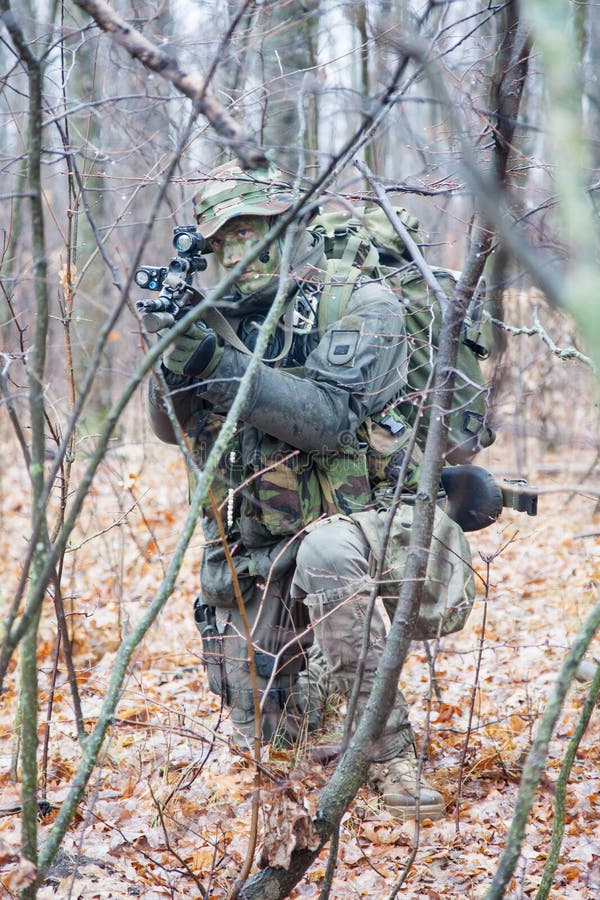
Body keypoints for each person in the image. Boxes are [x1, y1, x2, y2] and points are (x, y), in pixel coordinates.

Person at [146, 160, 475, 822]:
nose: (245, 250)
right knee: (266, 735)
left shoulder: (362, 305)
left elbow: (327, 421)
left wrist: (214, 360)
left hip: (374, 524)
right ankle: (318, 694)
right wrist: (171, 355)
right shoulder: (221, 316)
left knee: (326, 553)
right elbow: (169, 430)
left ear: (295, 229)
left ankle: (388, 757)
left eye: (258, 231)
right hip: (263, 541)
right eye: (228, 240)